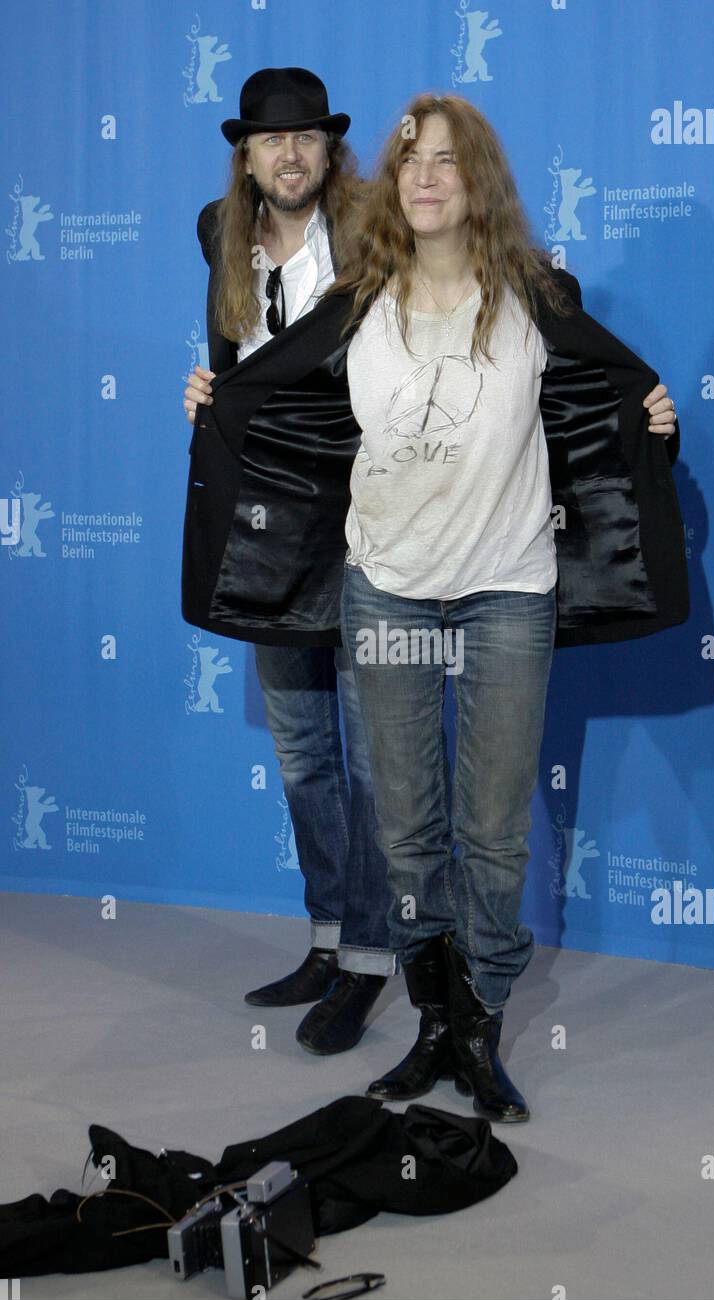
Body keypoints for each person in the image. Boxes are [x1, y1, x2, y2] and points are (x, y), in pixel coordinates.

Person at [181, 97, 685, 1121]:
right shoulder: (358, 298)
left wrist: (654, 429)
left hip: (506, 589)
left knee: (493, 833)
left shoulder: (537, 297)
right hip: (386, 590)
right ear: (390, 181)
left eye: (446, 161)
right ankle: (431, 1018)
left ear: (477, 181)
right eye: (410, 159)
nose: (423, 176)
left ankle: (480, 1020)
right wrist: (217, 403)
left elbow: (608, 411)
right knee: (408, 834)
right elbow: (277, 395)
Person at [183, 68, 395, 1055]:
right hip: (272, 533)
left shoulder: (375, 232)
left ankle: (369, 957)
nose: (290, 153)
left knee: (370, 760)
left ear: (328, 147)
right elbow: (234, 368)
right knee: (306, 755)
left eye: (306, 136)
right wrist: (207, 394)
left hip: (371, 524)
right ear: (247, 154)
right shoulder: (219, 235)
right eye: (272, 140)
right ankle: (324, 938)